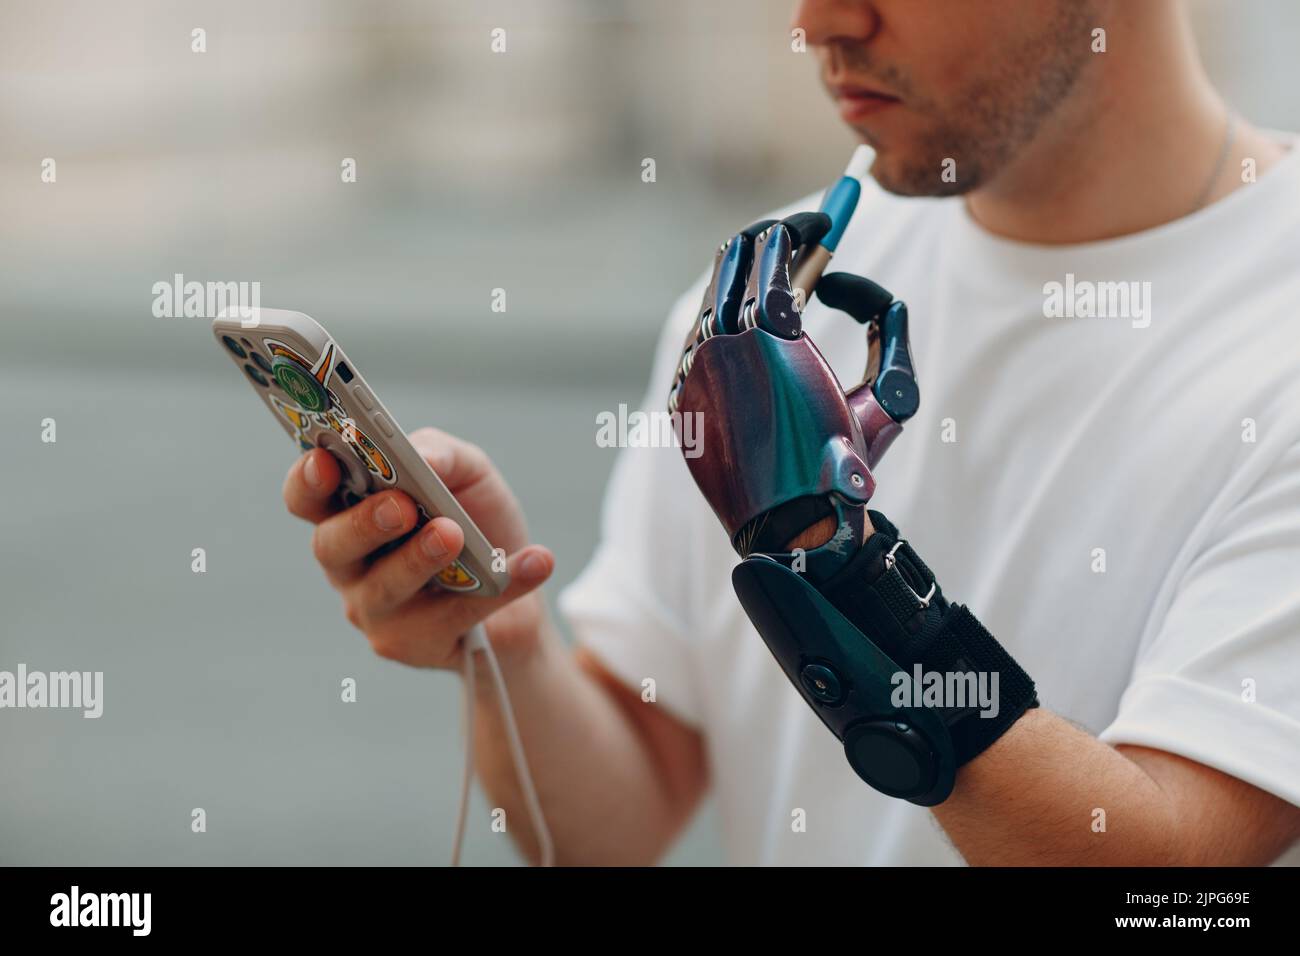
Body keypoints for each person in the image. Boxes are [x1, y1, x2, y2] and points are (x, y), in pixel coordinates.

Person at [281, 0, 1300, 865]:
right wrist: (503, 642)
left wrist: (821, 547)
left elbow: (1170, 868)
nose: (820, 21)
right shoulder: (760, 309)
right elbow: (617, 814)